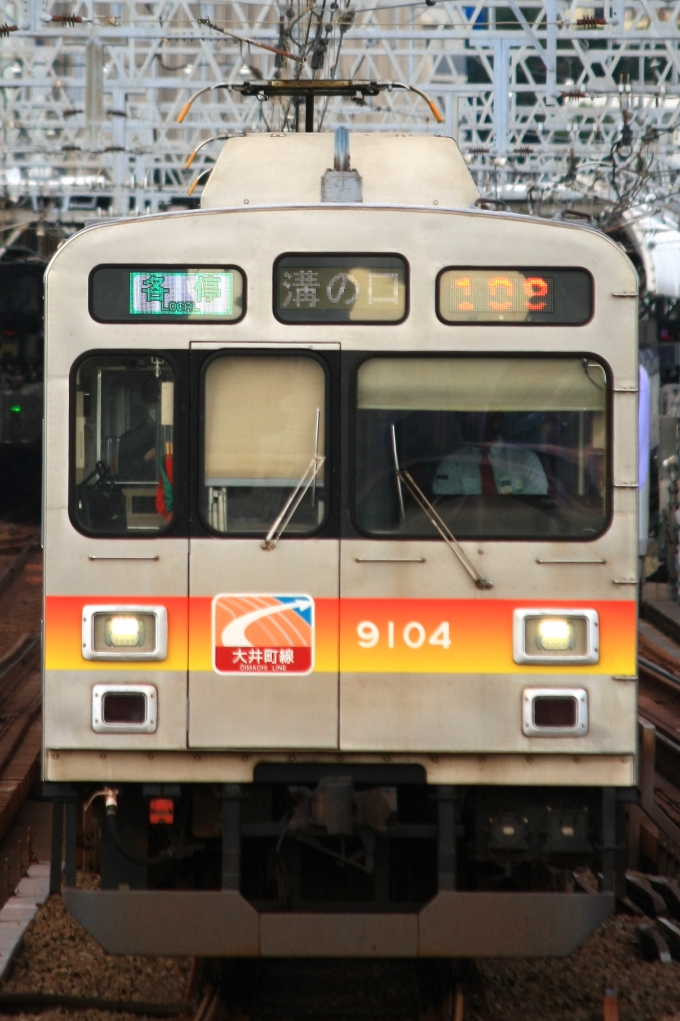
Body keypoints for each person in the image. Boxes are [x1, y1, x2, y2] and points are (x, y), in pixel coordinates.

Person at [432, 412, 547, 497]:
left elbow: (533, 512)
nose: (469, 422)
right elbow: (446, 514)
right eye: (464, 417)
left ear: (497, 419)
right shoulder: (452, 463)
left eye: (478, 416)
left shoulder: (526, 460)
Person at [117, 376, 158, 481]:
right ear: (145, 404)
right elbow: (124, 478)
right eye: (155, 405)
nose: (160, 409)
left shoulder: (176, 436)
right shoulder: (128, 441)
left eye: (164, 404)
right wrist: (145, 460)